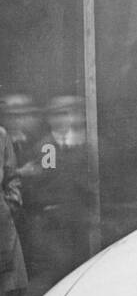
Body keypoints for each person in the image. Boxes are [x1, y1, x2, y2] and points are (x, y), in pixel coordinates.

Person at [22, 95, 92, 284]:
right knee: (60, 269)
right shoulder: (48, 146)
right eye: (59, 114)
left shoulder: (85, 142)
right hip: (55, 220)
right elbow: (47, 176)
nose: (65, 119)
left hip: (78, 216)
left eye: (69, 113)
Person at [0, 124, 45, 296]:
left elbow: (11, 176)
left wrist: (10, 204)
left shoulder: (1, 135)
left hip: (1, 221)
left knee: (14, 284)